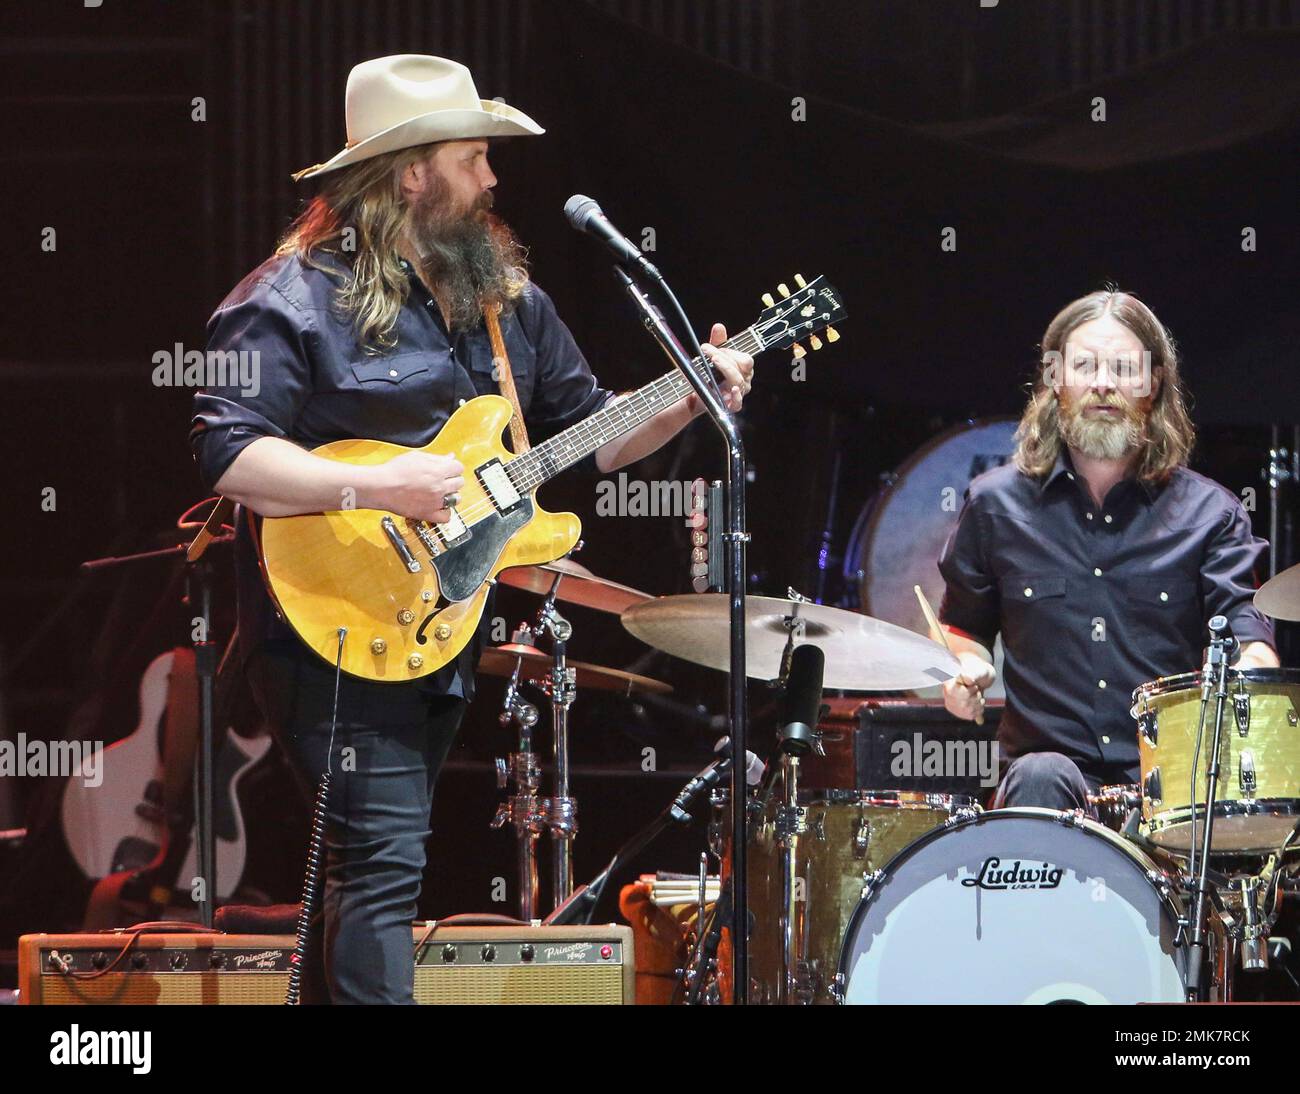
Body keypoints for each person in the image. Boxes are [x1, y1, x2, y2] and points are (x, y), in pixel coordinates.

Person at [188, 55, 753, 1003]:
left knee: (374, 866)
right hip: (324, 623)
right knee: (382, 862)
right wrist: (371, 489)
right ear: (412, 173)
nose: (493, 179)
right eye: (476, 156)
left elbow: (599, 437)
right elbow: (228, 456)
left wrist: (693, 397)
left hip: (434, 627)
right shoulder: (289, 298)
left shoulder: (506, 302)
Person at [937, 288, 1277, 810]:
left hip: (1172, 791)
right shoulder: (994, 505)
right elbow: (964, 628)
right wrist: (964, 669)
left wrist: (1254, 668)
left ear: (1153, 382)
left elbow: (1248, 637)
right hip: (1046, 785)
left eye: (1123, 366)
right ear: (1055, 379)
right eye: (1084, 366)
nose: (1102, 383)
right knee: (1040, 776)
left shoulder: (1212, 515)